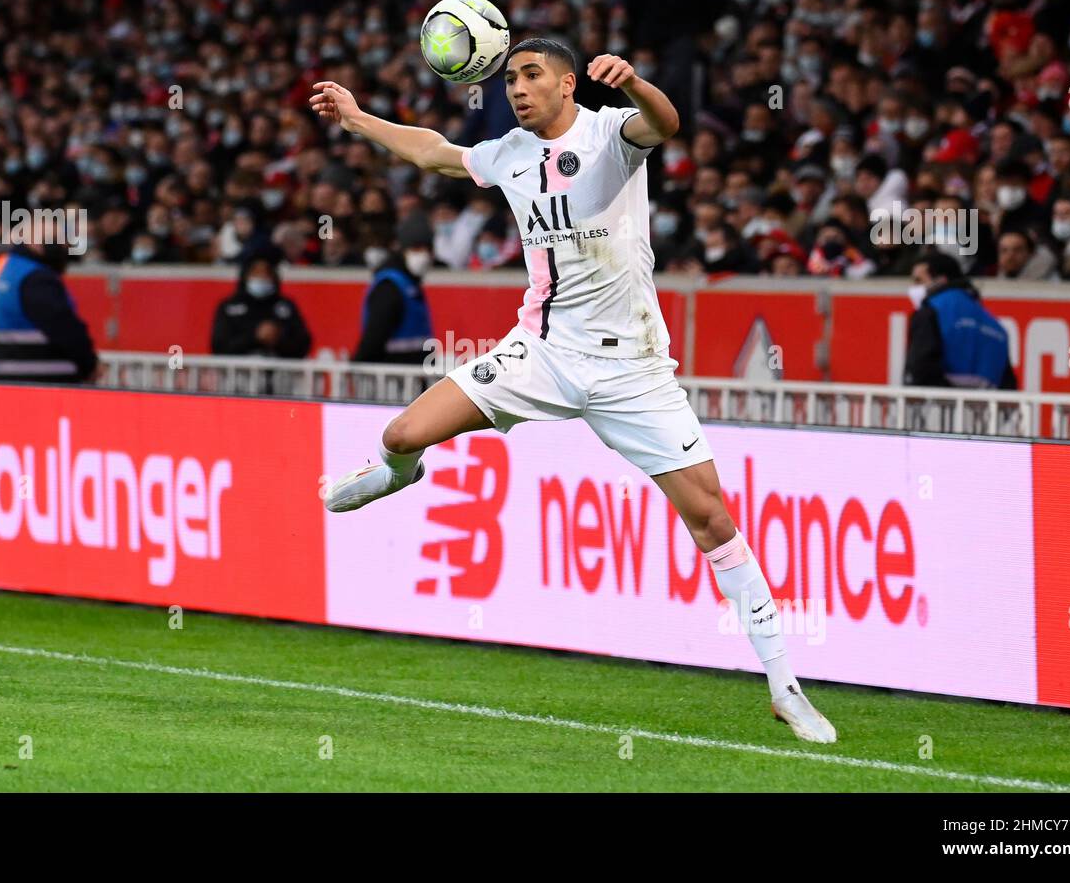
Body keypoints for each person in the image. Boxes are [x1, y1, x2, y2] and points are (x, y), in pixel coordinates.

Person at [309, 38, 836, 744]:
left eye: (530, 76)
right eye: (508, 79)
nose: (516, 89)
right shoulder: (508, 152)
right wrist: (358, 117)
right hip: (544, 353)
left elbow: (667, 125)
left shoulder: (611, 133)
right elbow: (433, 150)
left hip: (633, 370)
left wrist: (638, 81)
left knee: (712, 519)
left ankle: (785, 687)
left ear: (567, 84)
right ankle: (397, 476)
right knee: (401, 435)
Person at [0, 211, 97, 382]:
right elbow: (65, 329)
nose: (62, 245)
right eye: (54, 239)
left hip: (1, 375)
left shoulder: (8, 269)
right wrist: (90, 365)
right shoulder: (35, 277)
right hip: (40, 382)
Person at [905, 252, 1017, 389]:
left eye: (918, 280)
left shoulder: (931, 311)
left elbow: (919, 370)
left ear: (940, 280)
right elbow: (1008, 387)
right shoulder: (996, 327)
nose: (913, 287)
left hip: (939, 405)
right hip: (984, 408)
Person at [351, 214, 435, 365]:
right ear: (402, 249)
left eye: (428, 249)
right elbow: (374, 337)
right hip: (391, 380)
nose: (424, 255)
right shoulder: (390, 287)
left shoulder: (411, 285)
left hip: (412, 380)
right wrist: (357, 363)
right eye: (416, 247)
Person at [210, 247, 311, 358]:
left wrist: (277, 339)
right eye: (256, 272)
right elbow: (219, 346)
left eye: (266, 273)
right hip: (238, 373)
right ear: (246, 276)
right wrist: (254, 336)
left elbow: (303, 344)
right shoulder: (229, 306)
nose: (262, 277)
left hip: (280, 373)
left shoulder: (286, 306)